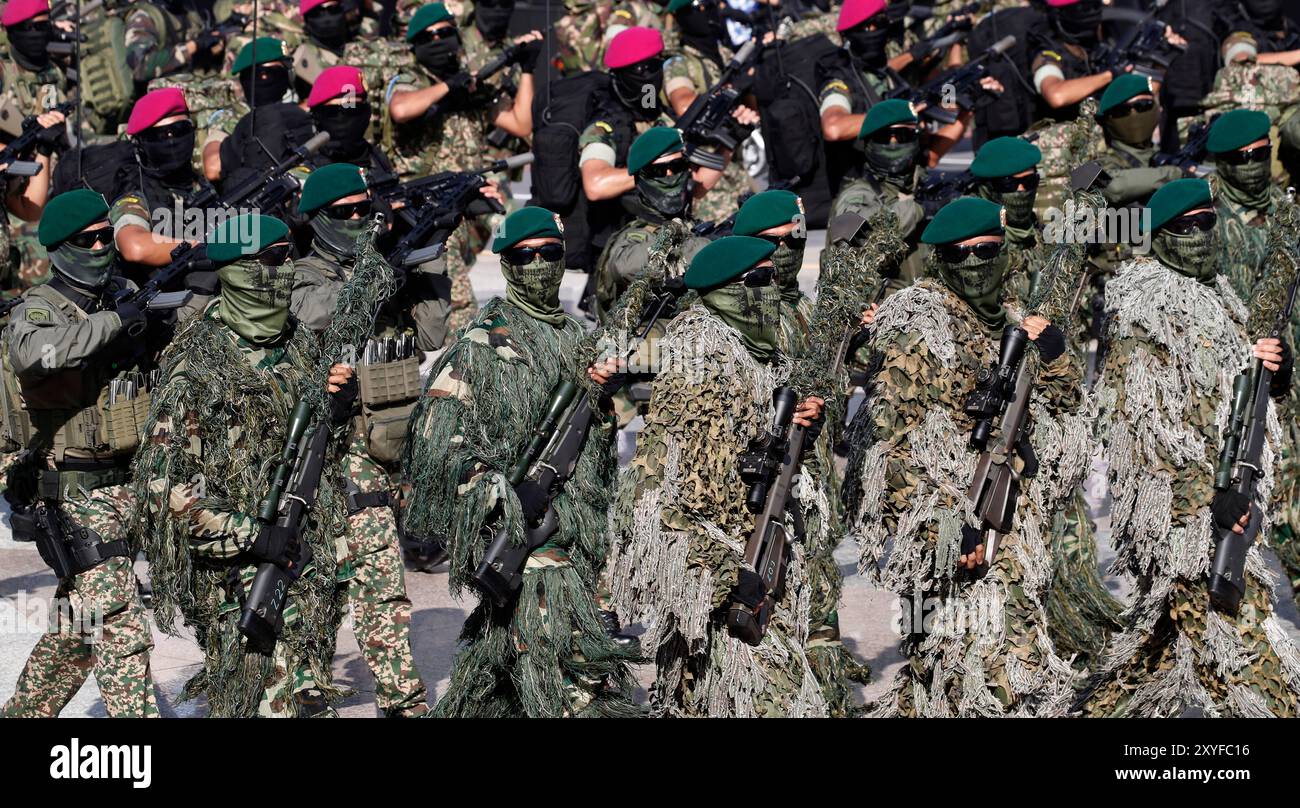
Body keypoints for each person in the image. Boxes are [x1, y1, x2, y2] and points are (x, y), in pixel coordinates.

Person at [847, 196, 1084, 716]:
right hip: (946, 529)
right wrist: (946, 530)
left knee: (987, 675)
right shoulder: (921, 329)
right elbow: (892, 449)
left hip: (1009, 524)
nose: (974, 264)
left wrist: (1058, 357)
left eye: (985, 251)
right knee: (955, 669)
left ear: (1004, 253)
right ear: (938, 261)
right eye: (959, 255)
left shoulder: (1018, 323)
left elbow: (1066, 406)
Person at [402, 207, 642, 717]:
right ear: (507, 263)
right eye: (524, 255)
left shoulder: (577, 339)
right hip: (524, 542)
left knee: (507, 686)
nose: (538, 264)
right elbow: (437, 446)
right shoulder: (481, 343)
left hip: (579, 535)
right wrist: (503, 496)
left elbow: (599, 451)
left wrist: (602, 401)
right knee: (574, 680)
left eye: (549, 253)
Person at [1079, 178, 1300, 717]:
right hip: (1186, 522)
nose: (1199, 235)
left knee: (1154, 656)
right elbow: (1146, 441)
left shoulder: (1216, 294)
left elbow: (1237, 391)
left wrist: (1279, 368)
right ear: (1157, 237)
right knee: (1249, 662)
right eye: (1185, 226)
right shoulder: (1143, 313)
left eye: (1206, 222)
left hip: (1221, 500)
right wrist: (1211, 504)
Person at [133, 212, 356, 717]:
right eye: (273, 260)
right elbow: (167, 494)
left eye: (289, 258)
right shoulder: (196, 365)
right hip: (234, 578)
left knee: (306, 697)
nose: (286, 272)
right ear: (237, 270)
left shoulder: (299, 344)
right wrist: (255, 537)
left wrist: (338, 414)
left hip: (303, 564)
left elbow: (320, 455)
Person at [603, 235, 831, 717]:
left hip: (758, 556)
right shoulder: (699, 361)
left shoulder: (757, 349)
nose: (775, 289)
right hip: (715, 576)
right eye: (762, 279)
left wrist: (802, 424)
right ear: (732, 290)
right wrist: (728, 577)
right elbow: (660, 499)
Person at [0, 189, 159, 717]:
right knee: (120, 627)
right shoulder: (38, 307)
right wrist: (116, 322)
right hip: (70, 493)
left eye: (104, 237)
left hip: (126, 484)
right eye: (87, 241)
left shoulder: (120, 292)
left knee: (76, 635)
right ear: (61, 249)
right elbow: (33, 353)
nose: (100, 248)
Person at [289, 164, 431, 716]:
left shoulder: (381, 271)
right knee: (336, 580)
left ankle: (394, 698)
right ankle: (374, 692)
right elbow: (319, 315)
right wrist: (377, 274)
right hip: (334, 450)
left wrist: (428, 255)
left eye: (362, 209)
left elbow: (433, 331)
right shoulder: (301, 275)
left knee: (369, 579)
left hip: (393, 443)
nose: (357, 220)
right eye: (344, 212)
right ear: (318, 220)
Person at [732, 188, 872, 716]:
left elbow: (839, 374)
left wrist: (854, 339)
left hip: (811, 461)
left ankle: (822, 653)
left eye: (795, 240)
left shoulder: (805, 308)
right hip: (763, 463)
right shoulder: (743, 308)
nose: (786, 252)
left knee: (817, 555)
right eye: (773, 243)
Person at [1207, 110, 1300, 607]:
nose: (1253, 165)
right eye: (1241, 159)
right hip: (1242, 395)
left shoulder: (1289, 214)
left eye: (1261, 155)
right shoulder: (1203, 222)